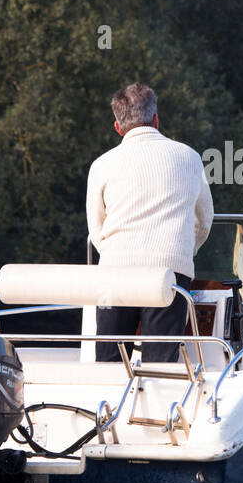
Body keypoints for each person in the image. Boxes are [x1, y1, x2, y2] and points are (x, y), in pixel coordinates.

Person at [86, 84, 214, 363]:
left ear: (118, 127)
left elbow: (96, 229)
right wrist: (183, 251)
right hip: (170, 271)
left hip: (114, 272)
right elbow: (204, 221)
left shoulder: (101, 164)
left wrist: (113, 253)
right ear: (156, 120)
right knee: (161, 365)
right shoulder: (189, 157)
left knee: (109, 362)